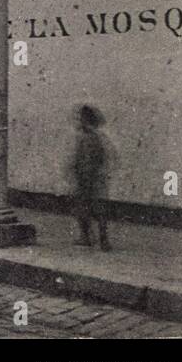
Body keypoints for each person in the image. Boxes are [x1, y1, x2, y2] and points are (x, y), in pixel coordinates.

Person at [70, 104, 113, 251]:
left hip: (86, 178)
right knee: (99, 209)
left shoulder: (85, 137)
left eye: (80, 118)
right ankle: (103, 239)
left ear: (84, 120)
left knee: (83, 208)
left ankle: (86, 237)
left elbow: (82, 159)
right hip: (96, 178)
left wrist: (79, 174)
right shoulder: (98, 137)